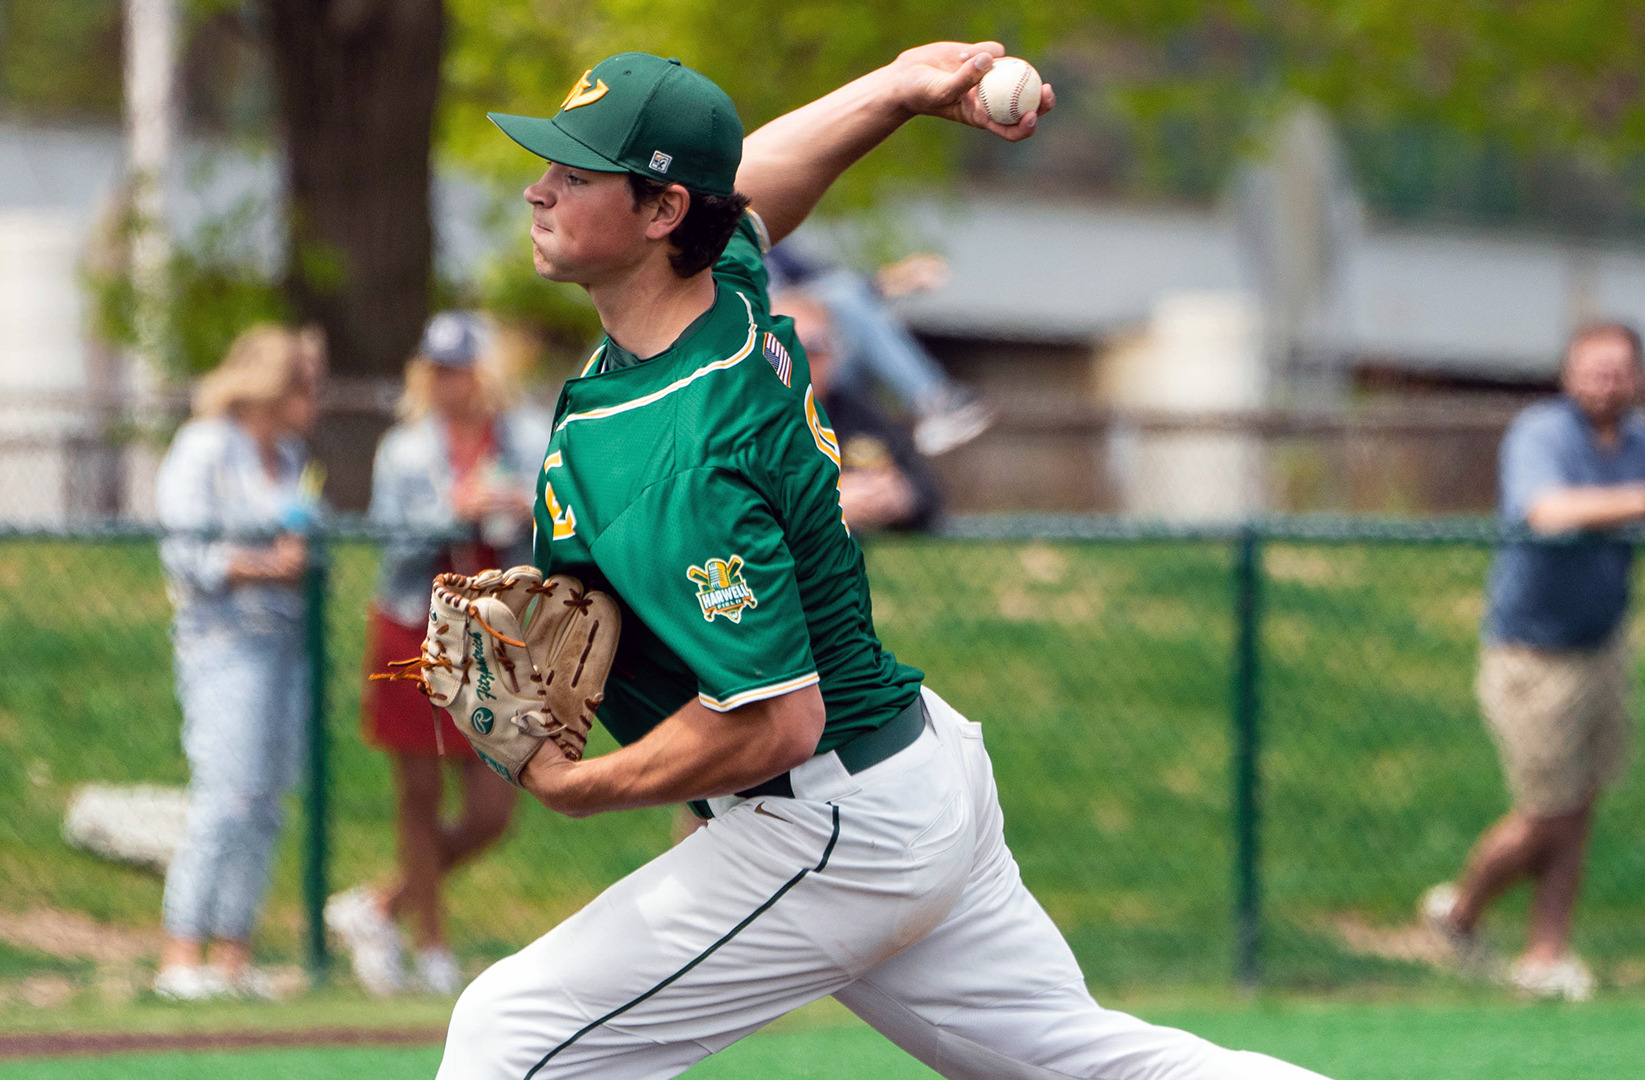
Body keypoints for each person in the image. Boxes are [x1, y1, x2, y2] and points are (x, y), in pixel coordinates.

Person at [436, 45, 1331, 1077]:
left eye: (576, 174)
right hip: (903, 772)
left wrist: (583, 786)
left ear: (662, 212)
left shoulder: (685, 450)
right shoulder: (713, 289)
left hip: (827, 821)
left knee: (510, 1033)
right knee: (1087, 1065)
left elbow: (776, 718)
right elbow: (756, 181)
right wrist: (899, 89)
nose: (538, 189)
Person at [1421, 321, 1645, 1001]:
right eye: (1594, 368)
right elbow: (1548, 512)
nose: (1608, 381)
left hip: (1602, 647)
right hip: (1532, 655)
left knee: (1579, 808)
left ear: (1640, 378)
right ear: (1569, 374)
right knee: (1546, 810)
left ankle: (1545, 954)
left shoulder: (1640, 443)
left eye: (1620, 369)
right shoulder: (1543, 433)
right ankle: (1459, 913)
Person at [326, 312, 550, 997]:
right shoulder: (405, 448)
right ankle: (431, 947)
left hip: (497, 634)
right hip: (415, 629)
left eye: (461, 368)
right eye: (438, 369)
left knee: (493, 808)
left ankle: (377, 906)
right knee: (418, 797)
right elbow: (392, 541)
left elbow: (557, 516)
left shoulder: (528, 434)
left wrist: (520, 505)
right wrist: (458, 509)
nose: (449, 383)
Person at [152, 324, 325, 1001]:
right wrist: (262, 567)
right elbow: (184, 555)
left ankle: (234, 955)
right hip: (225, 642)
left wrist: (299, 559)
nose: (314, 398)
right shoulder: (204, 448)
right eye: (303, 385)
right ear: (271, 388)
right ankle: (179, 953)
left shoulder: (287, 456)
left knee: (267, 803)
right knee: (224, 798)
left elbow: (301, 532)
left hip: (287, 644)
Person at [767, 243, 992, 457]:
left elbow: (817, 281)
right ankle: (932, 399)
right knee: (841, 301)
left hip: (816, 373)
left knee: (859, 316)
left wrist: (893, 280)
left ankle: (934, 402)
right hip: (758, 367)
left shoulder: (756, 233)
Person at [771, 288, 941, 531]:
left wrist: (899, 496)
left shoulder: (852, 410)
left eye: (814, 346)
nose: (800, 358)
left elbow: (926, 491)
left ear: (833, 353)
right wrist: (825, 505)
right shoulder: (732, 415)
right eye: (785, 344)